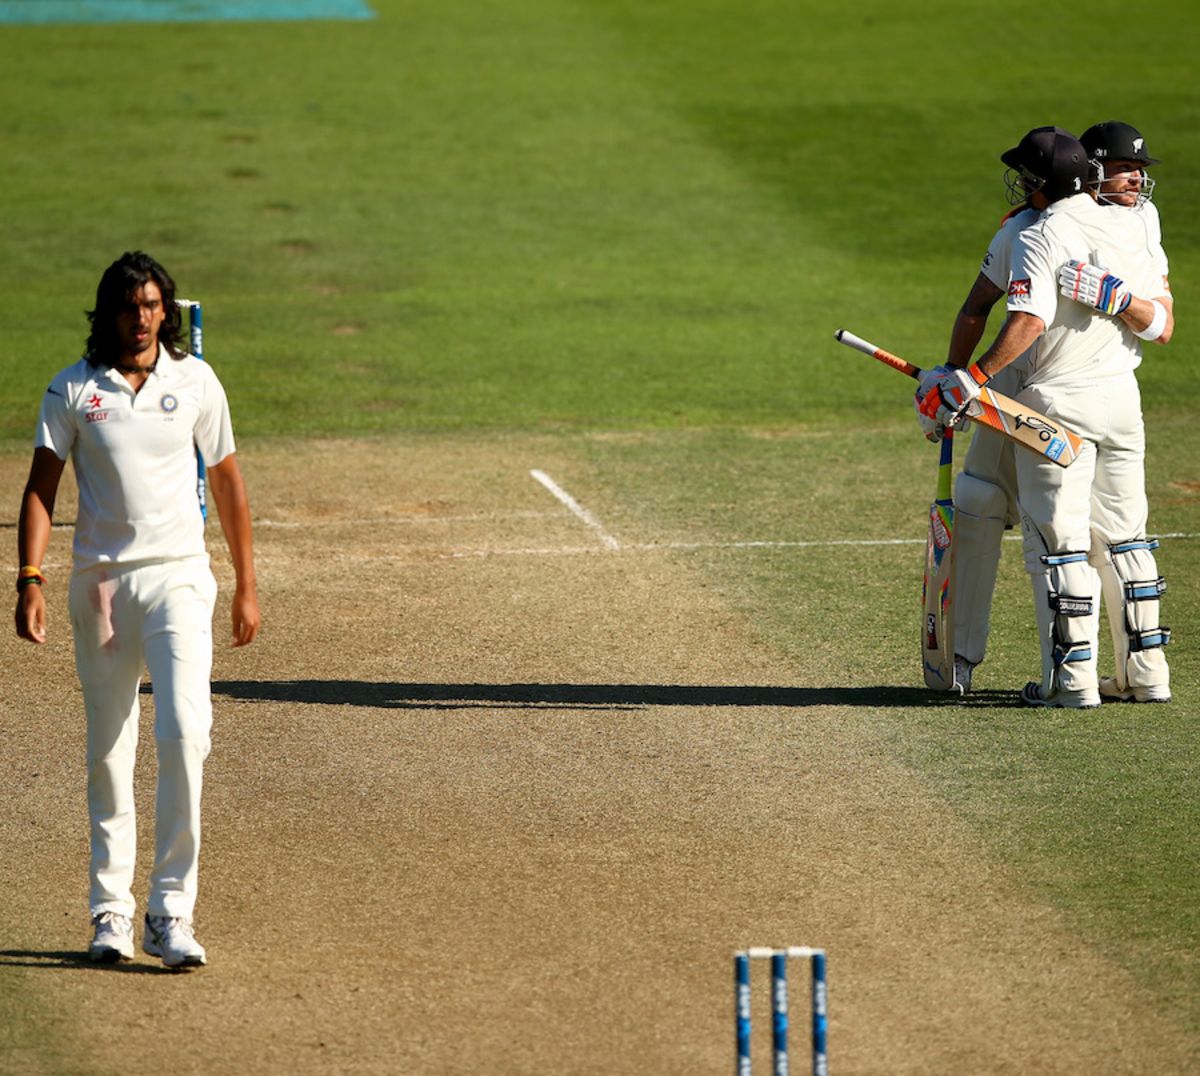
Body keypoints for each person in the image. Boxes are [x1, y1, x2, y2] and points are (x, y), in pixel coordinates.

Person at [15, 251, 261, 966]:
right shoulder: (72, 391)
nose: (145, 318)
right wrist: (29, 576)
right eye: (132, 307)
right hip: (100, 587)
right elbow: (40, 489)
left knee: (187, 732)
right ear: (109, 314)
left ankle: (170, 912)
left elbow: (229, 483)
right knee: (109, 751)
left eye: (155, 305)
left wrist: (246, 581)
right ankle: (110, 913)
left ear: (167, 310)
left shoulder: (196, 382)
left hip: (180, 577)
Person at [919, 127, 1172, 709]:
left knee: (1053, 540)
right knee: (1126, 537)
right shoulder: (1136, 222)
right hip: (1121, 401)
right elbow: (1162, 325)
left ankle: (1069, 681)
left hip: (1047, 404)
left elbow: (1009, 317)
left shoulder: (1032, 232)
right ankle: (1147, 672)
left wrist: (962, 380)